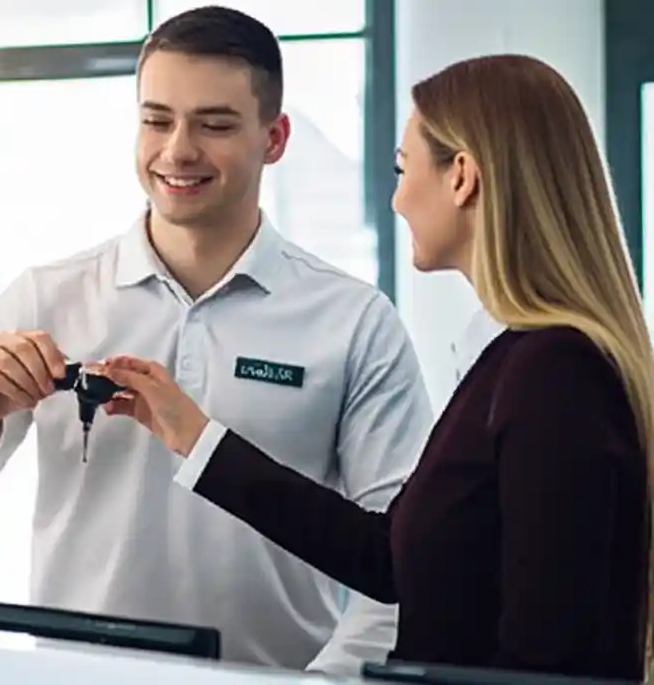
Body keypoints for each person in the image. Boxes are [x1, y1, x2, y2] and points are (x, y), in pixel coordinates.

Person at [0, 6, 434, 675]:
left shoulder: (355, 323)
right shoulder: (44, 298)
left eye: (215, 124)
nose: (177, 150)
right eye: (157, 119)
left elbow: (406, 568)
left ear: (275, 137)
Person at [99, 54, 653, 681]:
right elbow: (389, 558)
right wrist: (195, 437)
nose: (396, 199)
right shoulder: (516, 361)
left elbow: (545, 661)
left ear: (463, 177)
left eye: (402, 167)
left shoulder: (554, 373)